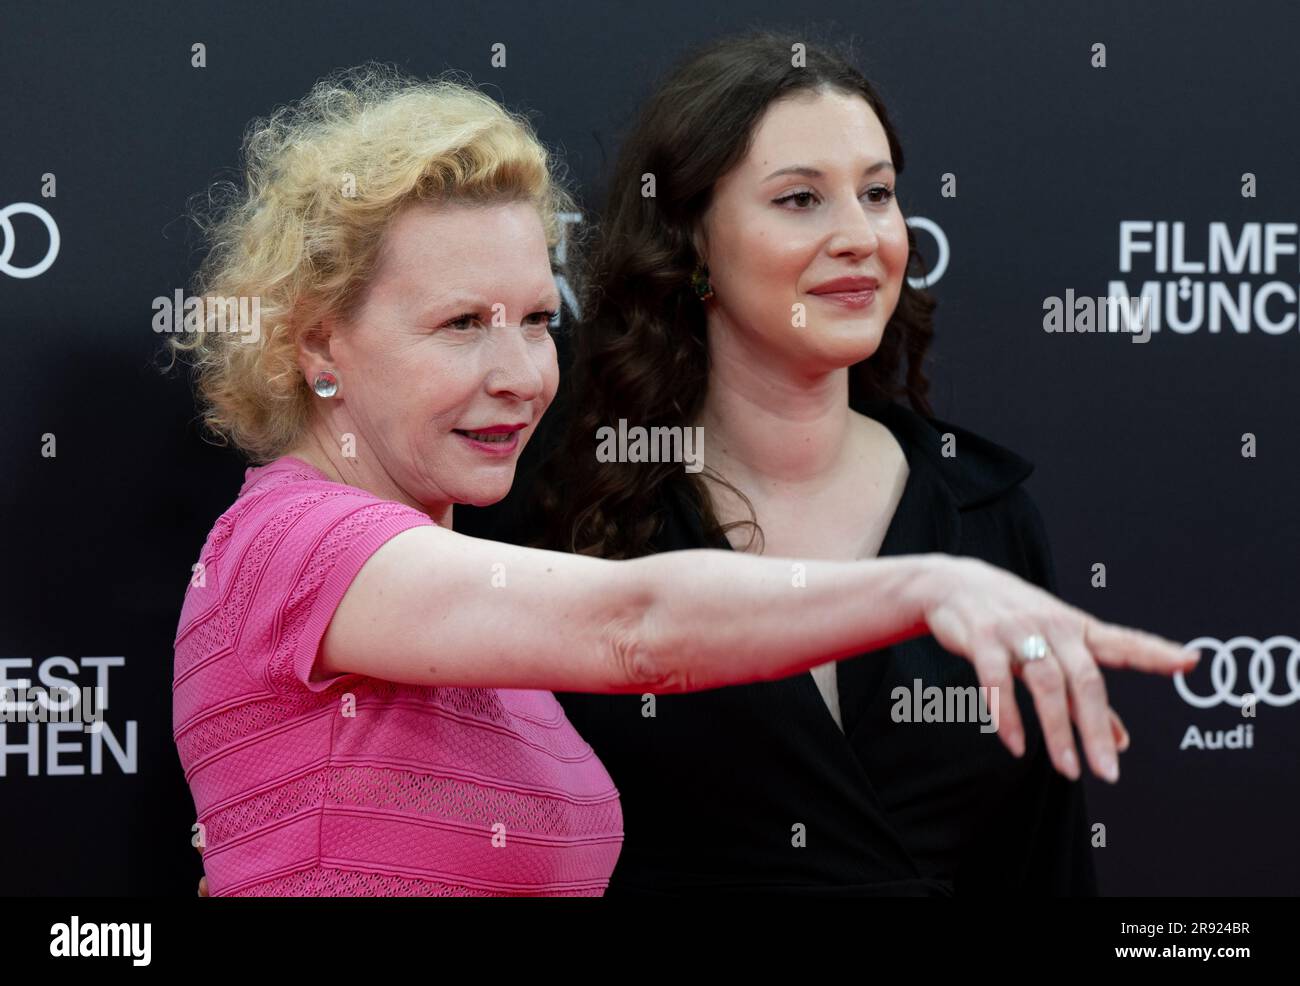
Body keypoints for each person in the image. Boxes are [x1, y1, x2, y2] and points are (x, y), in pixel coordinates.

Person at [171, 62, 1193, 897]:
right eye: (459, 324)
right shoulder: (289, 542)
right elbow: (635, 625)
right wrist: (928, 585)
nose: (521, 373)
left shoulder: (476, 606)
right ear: (318, 343)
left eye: (534, 318)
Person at [535, 32, 1137, 895]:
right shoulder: (573, 503)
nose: (859, 236)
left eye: (879, 194)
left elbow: (1047, 865)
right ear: (694, 238)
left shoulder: (986, 514)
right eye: (800, 200)